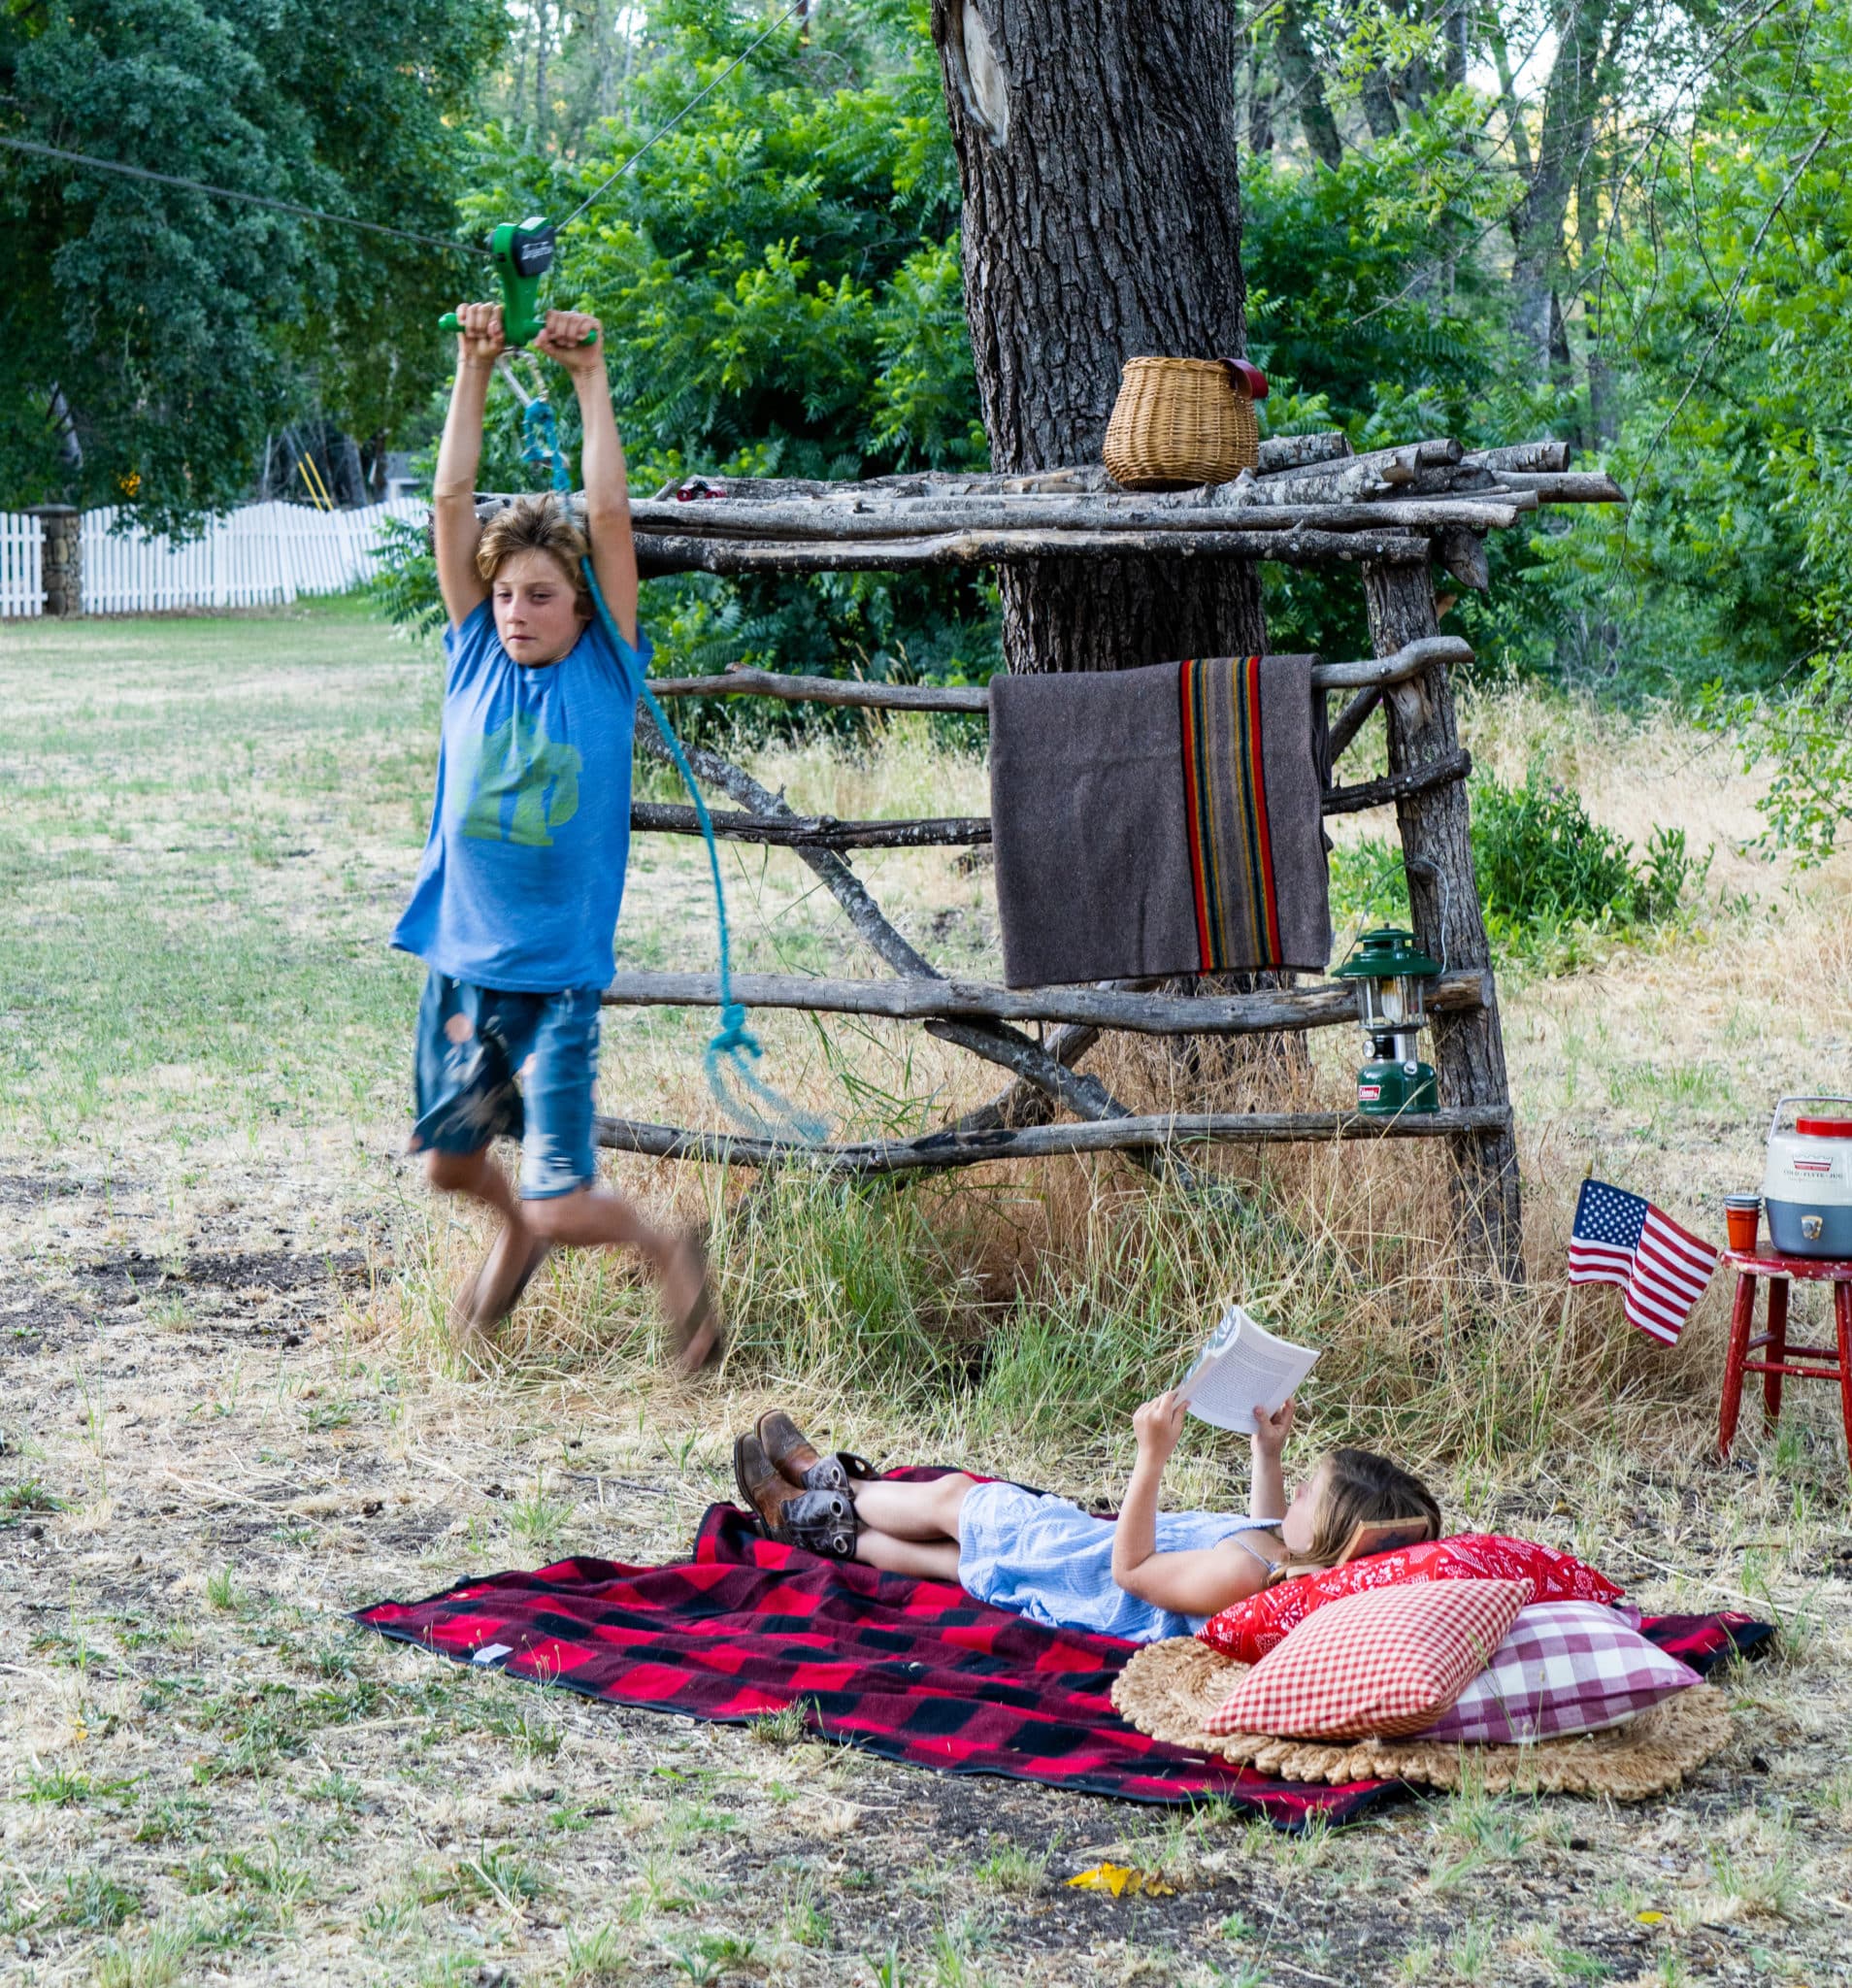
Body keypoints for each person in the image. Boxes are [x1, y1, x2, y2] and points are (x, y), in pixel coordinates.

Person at [394, 299, 716, 1373]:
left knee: (568, 1199)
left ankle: (667, 1250)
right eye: (504, 595)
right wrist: (473, 366)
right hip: (461, 966)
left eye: (541, 596)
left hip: (556, 982)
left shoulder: (604, 671)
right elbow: (450, 501)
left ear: (584, 610)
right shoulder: (472, 657)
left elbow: (610, 516)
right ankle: (517, 1232)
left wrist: (590, 378)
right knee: (448, 1164)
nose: (517, 612)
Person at [733, 1396, 1440, 1641]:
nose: (1295, 1499)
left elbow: (1132, 1570)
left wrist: (1150, 1460)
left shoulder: (1242, 1573)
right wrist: (1269, 1452)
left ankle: (834, 1488)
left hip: (1091, 1564)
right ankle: (821, 1528)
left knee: (957, 1500)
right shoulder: (1290, 1568)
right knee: (956, 1565)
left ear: (1330, 1537)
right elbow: (1267, 1524)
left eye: (1309, 1496)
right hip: (1085, 1576)